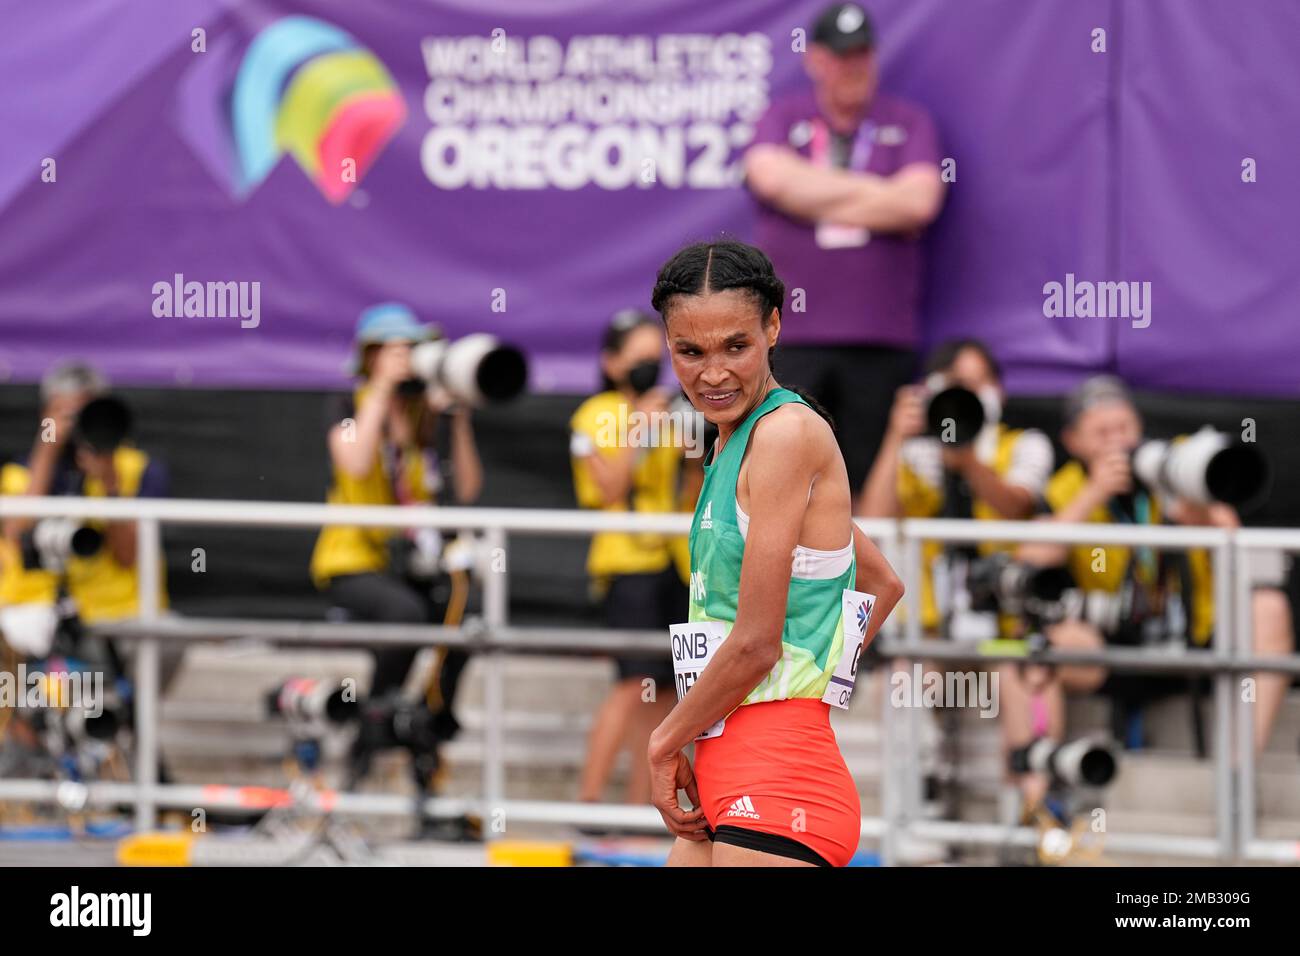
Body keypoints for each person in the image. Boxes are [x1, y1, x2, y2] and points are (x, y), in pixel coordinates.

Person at [646, 239, 904, 867]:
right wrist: (812, 665)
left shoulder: (786, 432)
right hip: (723, 773)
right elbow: (880, 581)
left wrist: (666, 740)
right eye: (690, 351)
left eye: (736, 346)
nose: (712, 374)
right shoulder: (734, 439)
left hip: (780, 783)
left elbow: (758, 642)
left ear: (774, 327)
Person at [1011, 376, 1295, 806]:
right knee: (1026, 650)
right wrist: (1094, 494)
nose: (1118, 442)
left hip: (1193, 635)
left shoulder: (1173, 463)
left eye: (1125, 428)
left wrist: (1193, 502)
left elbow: (1231, 537)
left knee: (1269, 608)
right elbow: (1030, 559)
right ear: (1072, 440)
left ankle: (1236, 778)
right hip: (1114, 643)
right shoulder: (1065, 488)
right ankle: (1037, 799)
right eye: (1102, 433)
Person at [744, 1, 946, 503]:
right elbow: (768, 178)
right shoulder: (782, 116)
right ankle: (789, 581)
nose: (852, 65)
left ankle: (865, 583)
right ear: (814, 58)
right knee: (785, 475)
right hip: (793, 336)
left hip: (880, 340)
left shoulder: (909, 121)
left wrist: (807, 191)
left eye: (862, 54)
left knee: (871, 478)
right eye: (840, 55)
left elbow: (919, 202)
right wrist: (880, 194)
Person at [309, 303, 483, 795]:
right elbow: (357, 465)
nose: (409, 359)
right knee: (405, 617)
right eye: (398, 349)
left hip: (416, 560)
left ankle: (429, 730)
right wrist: (380, 390)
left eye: (414, 349)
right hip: (353, 559)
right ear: (371, 356)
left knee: (463, 619)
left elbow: (467, 489)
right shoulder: (348, 404)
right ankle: (372, 731)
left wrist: (459, 418)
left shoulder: (424, 409)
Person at [570, 309, 700, 806]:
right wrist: (640, 428)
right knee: (632, 684)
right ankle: (588, 803)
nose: (650, 366)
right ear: (611, 362)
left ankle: (642, 810)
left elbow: (691, 485)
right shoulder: (596, 413)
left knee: (667, 692)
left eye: (656, 357)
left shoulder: (672, 409)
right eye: (639, 358)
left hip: (676, 561)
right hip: (628, 562)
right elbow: (610, 488)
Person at [860, 338, 1054, 637]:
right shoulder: (918, 455)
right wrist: (896, 435)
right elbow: (873, 523)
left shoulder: (1026, 444)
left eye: (979, 383)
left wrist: (965, 459)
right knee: (918, 679)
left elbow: (1017, 508)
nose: (970, 395)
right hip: (928, 627)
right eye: (959, 385)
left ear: (999, 391)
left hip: (1009, 623)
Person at [1, 362, 170, 641]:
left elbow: (128, 556)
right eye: (64, 414)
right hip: (34, 613)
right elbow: (16, 537)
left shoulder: (138, 469)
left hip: (116, 615)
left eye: (83, 415)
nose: (74, 425)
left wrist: (109, 481)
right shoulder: (21, 473)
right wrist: (47, 449)